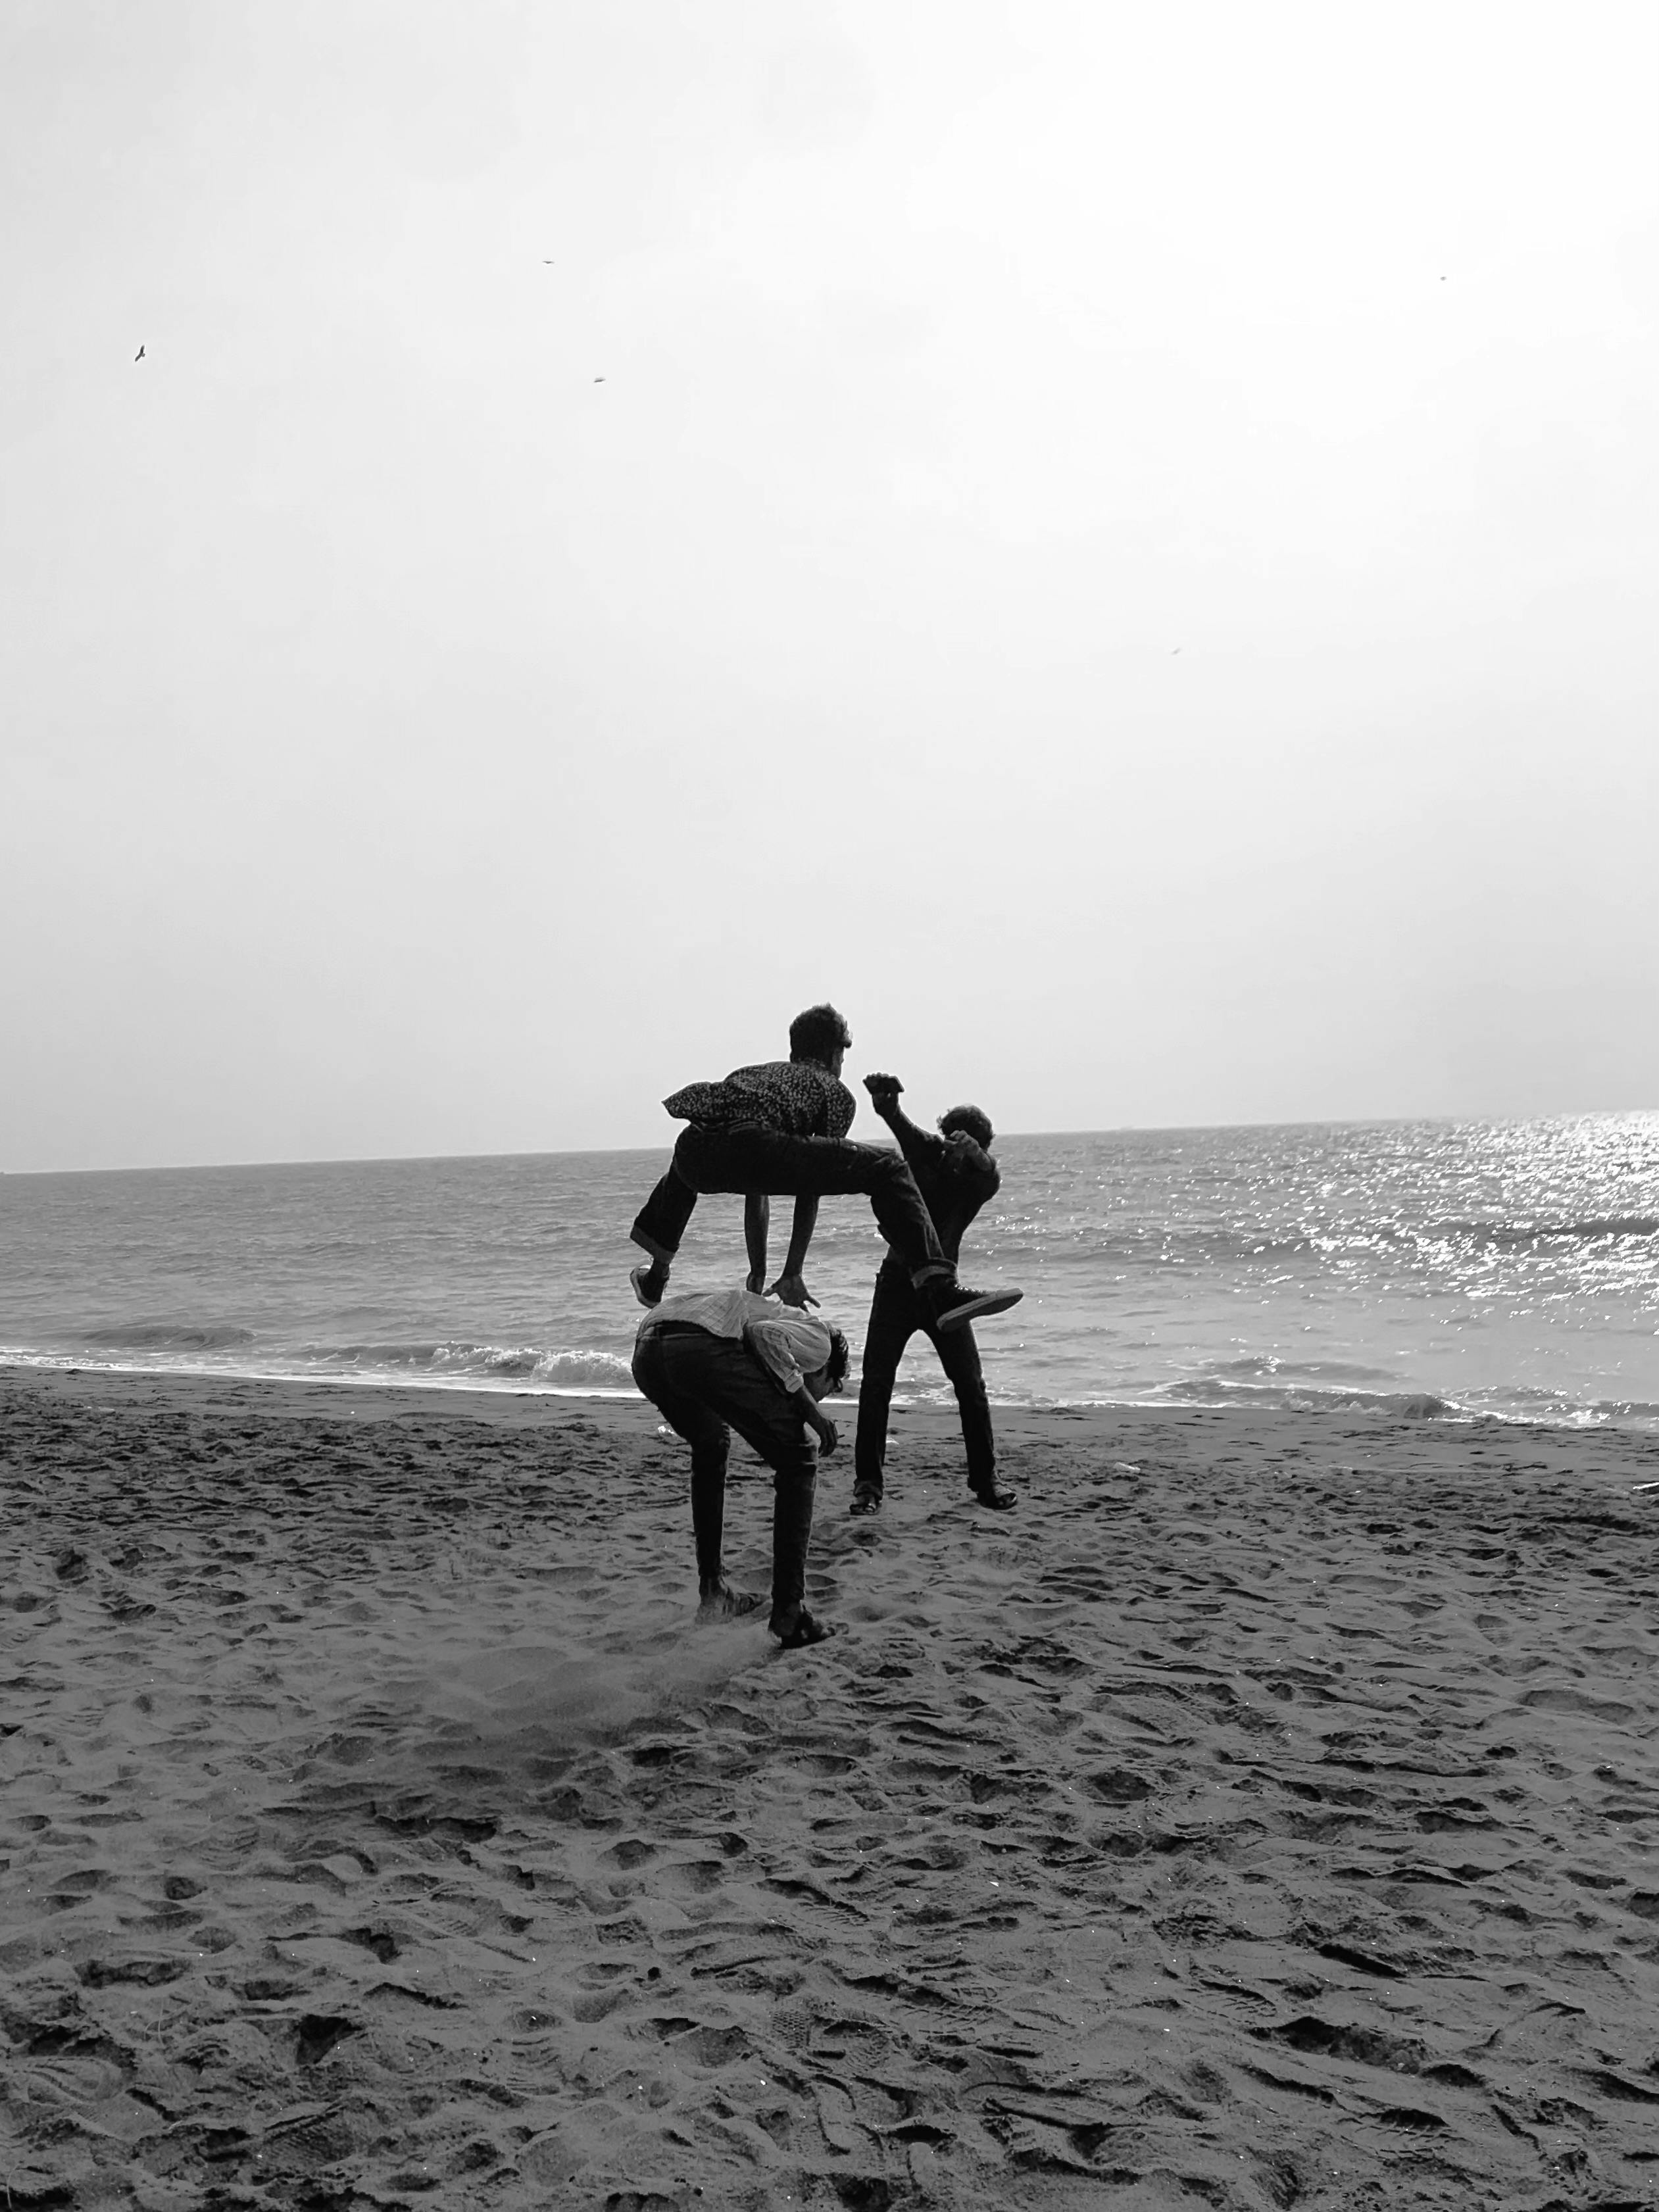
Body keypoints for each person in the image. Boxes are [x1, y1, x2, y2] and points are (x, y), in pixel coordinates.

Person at [628, 1004, 1022, 1334]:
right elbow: (810, 1183)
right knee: (889, 1166)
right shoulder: (832, 1090)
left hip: (701, 1148)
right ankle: (939, 1287)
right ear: (835, 1054)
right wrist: (793, 1270)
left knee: (682, 1166)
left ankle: (656, 1275)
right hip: (760, 1147)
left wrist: (759, 1272)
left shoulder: (752, 1074)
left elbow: (755, 1185)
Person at [631, 1283, 849, 1650]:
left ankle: (713, 1591)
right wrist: (813, 1411)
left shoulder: (767, 1310)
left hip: (649, 1347)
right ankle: (790, 1613)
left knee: (711, 1443)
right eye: (827, 1388)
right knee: (799, 1458)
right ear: (827, 1371)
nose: (819, 1394)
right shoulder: (820, 1339)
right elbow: (763, 1335)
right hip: (698, 1345)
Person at [851, 1073, 1018, 1514]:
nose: (958, 1153)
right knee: (876, 1385)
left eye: (974, 1147)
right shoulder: (926, 1154)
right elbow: (899, 1122)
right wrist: (886, 1104)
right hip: (895, 1286)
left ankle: (986, 1479)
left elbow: (991, 1174)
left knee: (970, 1385)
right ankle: (867, 1485)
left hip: (946, 1295)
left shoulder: (976, 1184)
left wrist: (977, 1155)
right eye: (953, 1142)